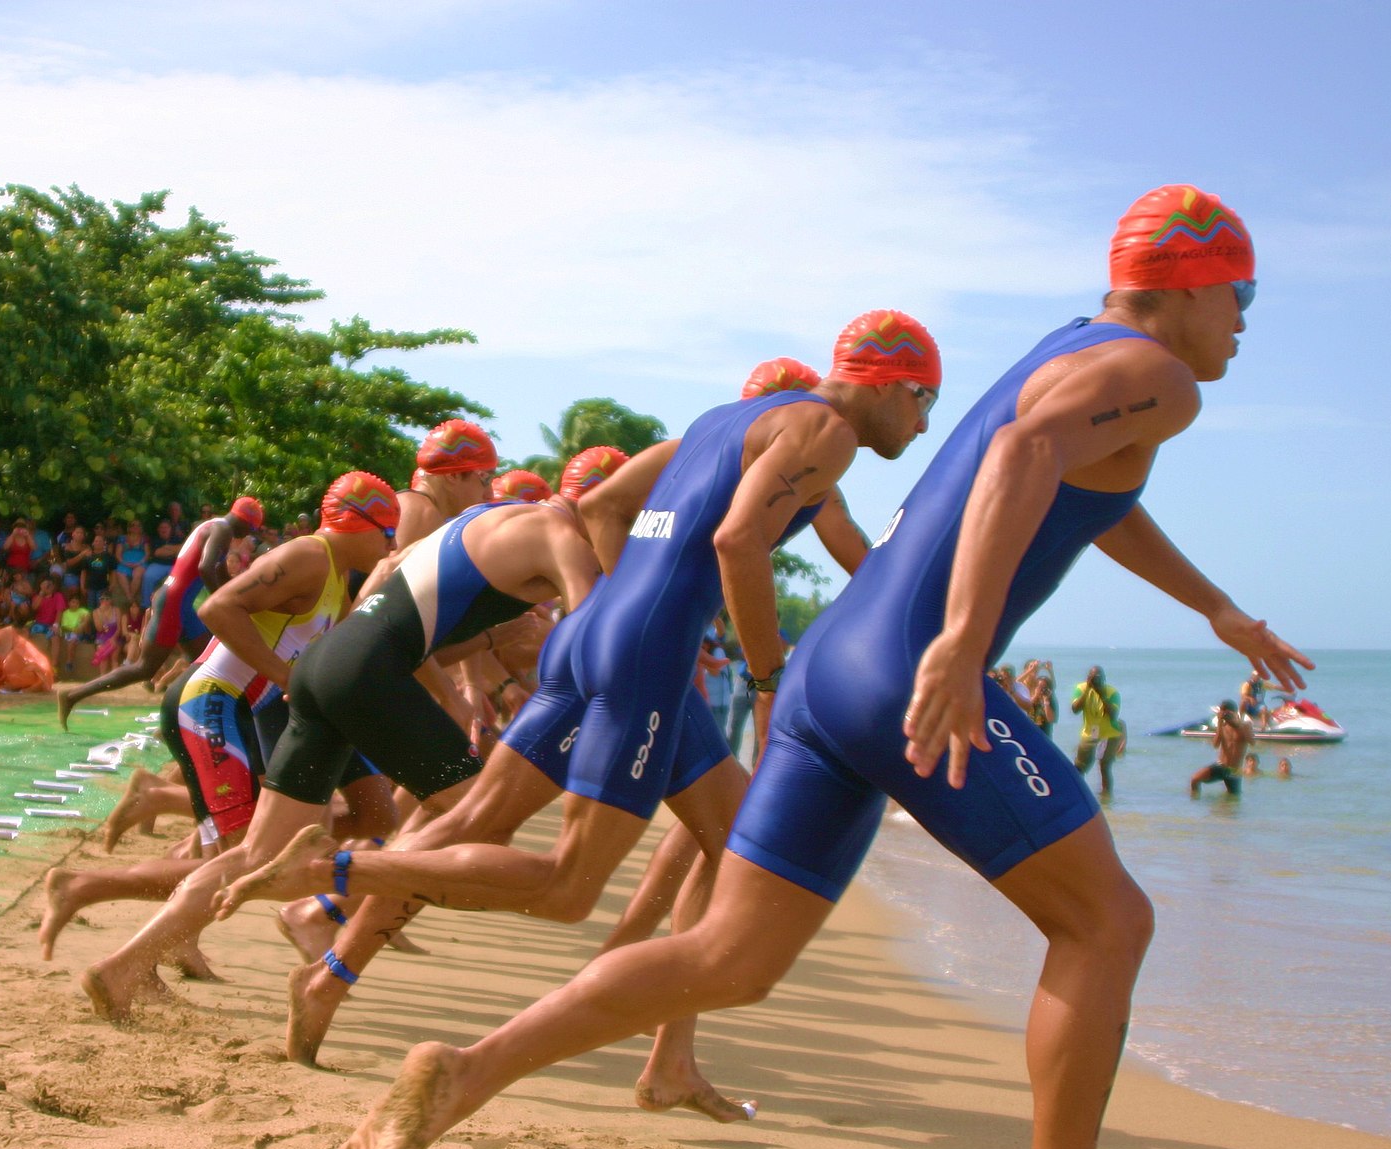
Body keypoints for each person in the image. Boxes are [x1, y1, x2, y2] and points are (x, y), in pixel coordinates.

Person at [336, 186, 1312, 1149]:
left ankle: (465, 1071)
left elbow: (1087, 485)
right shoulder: (1158, 374)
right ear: (1187, 281)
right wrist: (960, 642)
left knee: (731, 957)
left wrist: (1213, 605)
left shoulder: (1081, 356)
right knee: (1107, 923)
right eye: (1243, 291)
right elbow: (1026, 456)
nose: (1244, 317)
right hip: (907, 670)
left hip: (828, 678)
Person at [220, 312, 909, 1088]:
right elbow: (735, 541)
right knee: (568, 887)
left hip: (600, 640)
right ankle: (337, 872)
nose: (920, 426)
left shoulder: (718, 429)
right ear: (890, 385)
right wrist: (766, 676)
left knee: (550, 827)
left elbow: (605, 504)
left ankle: (335, 974)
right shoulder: (822, 434)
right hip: (644, 662)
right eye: (922, 404)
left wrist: (623, 605)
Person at [56, 464, 603, 1041]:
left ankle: (123, 967)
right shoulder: (554, 535)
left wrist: (458, 689)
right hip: (352, 676)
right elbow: (594, 632)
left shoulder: (477, 524)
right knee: (482, 824)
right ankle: (328, 930)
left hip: (330, 665)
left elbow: (385, 601)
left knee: (261, 853)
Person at [68, 473, 404, 1018]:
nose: (390, 545)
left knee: (240, 854)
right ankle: (118, 947)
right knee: (245, 855)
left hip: (232, 708)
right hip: (210, 703)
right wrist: (283, 677)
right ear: (358, 523)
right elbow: (218, 607)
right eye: (387, 533)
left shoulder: (337, 578)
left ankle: (144, 953)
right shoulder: (309, 556)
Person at [54, 495, 263, 727]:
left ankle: (183, 720)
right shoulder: (222, 529)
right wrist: (223, 602)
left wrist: (242, 597)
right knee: (144, 669)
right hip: (174, 603)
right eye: (251, 529)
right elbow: (206, 567)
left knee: (205, 664)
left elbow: (221, 573)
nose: (247, 535)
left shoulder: (213, 526)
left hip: (181, 605)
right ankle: (72, 696)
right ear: (244, 521)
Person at [397, 420, 498, 546]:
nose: (490, 495)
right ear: (453, 475)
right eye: (486, 479)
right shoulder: (421, 511)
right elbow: (389, 565)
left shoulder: (424, 509)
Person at [1071, 665, 1127, 795]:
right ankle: (1079, 793)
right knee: (1079, 766)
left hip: (1109, 733)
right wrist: (1088, 690)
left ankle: (1106, 797)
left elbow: (1113, 715)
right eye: (1093, 677)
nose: (1096, 680)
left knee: (1104, 766)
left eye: (1099, 678)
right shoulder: (1081, 689)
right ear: (1088, 678)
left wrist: (1102, 695)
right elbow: (1075, 709)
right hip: (1089, 733)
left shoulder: (1112, 692)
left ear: (1104, 679)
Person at [1191, 700, 1253, 797]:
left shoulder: (1245, 725)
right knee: (1195, 779)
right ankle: (1194, 801)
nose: (1227, 716)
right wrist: (1220, 723)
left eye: (1228, 713)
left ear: (1235, 713)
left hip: (1234, 770)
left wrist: (1239, 726)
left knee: (1234, 798)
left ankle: (1226, 809)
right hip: (1221, 765)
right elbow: (1215, 745)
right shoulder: (1223, 726)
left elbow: (1252, 742)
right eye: (1223, 713)